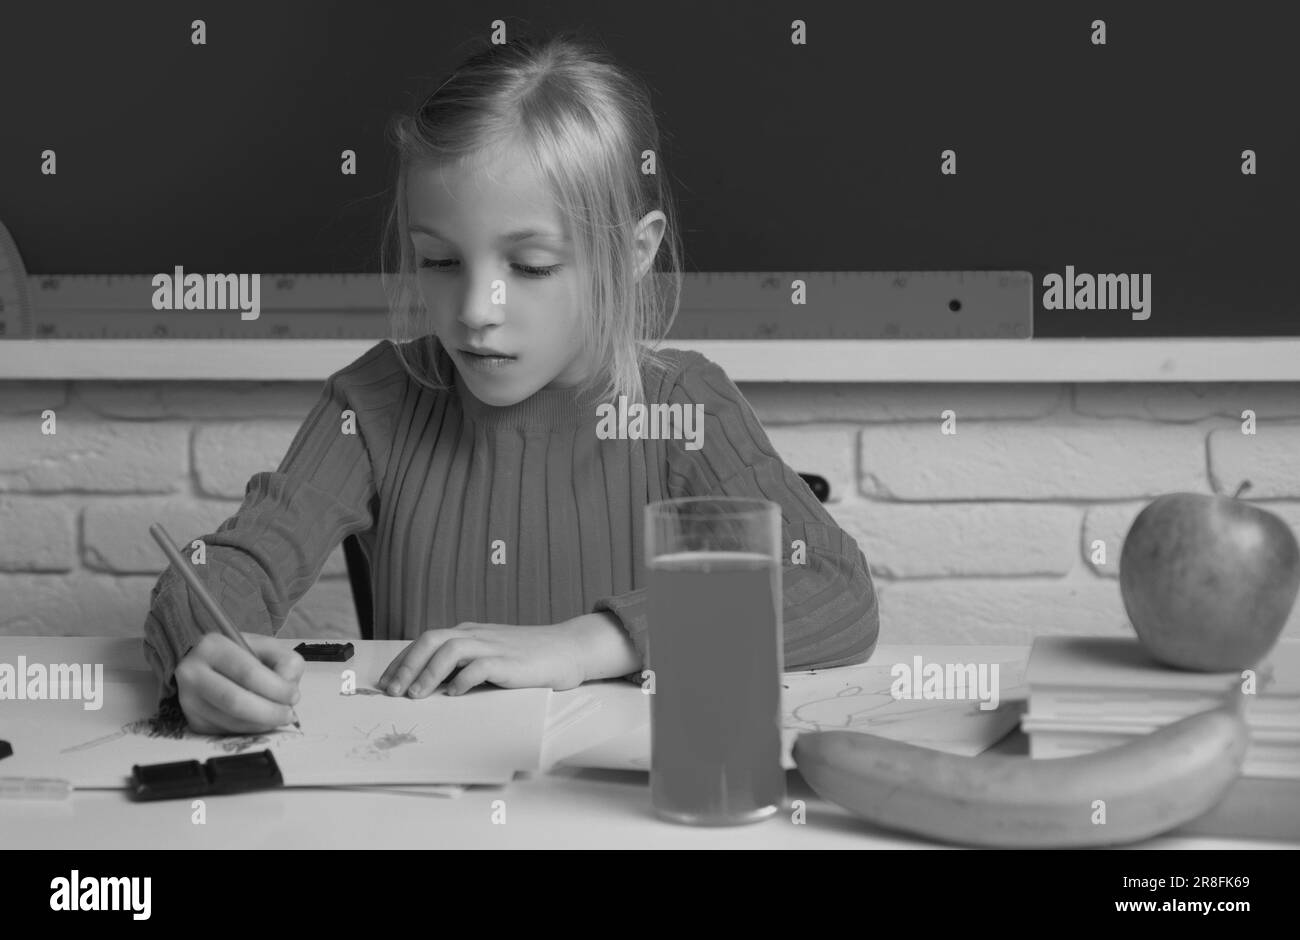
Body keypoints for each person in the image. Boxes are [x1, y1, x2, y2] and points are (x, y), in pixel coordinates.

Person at [143, 32, 879, 734]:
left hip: (624, 801)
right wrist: (203, 651)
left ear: (633, 252)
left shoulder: (682, 404)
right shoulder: (376, 399)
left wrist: (586, 643)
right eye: (439, 261)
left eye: (529, 268)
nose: (473, 312)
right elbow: (225, 566)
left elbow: (837, 591)